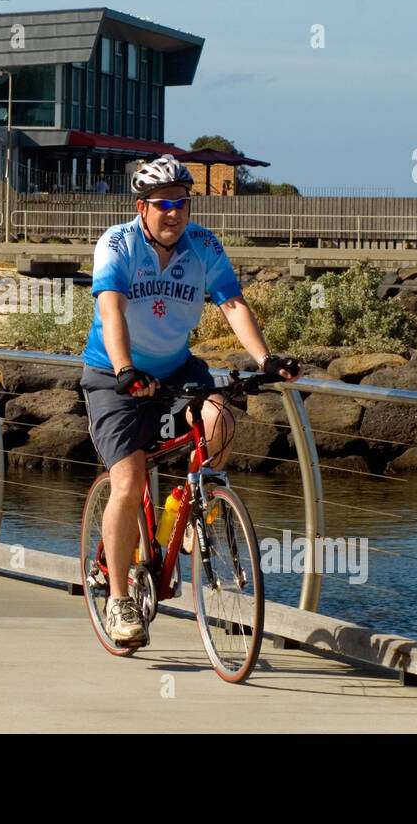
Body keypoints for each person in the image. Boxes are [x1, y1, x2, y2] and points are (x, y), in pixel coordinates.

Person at [80, 154, 300, 647]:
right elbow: (110, 310)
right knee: (129, 478)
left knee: (220, 415)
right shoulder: (117, 244)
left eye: (181, 203)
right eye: (163, 205)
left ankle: (198, 504)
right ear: (142, 207)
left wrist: (265, 359)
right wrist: (125, 372)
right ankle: (119, 602)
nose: (174, 213)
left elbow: (232, 303)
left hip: (177, 367)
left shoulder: (203, 244)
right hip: (114, 374)